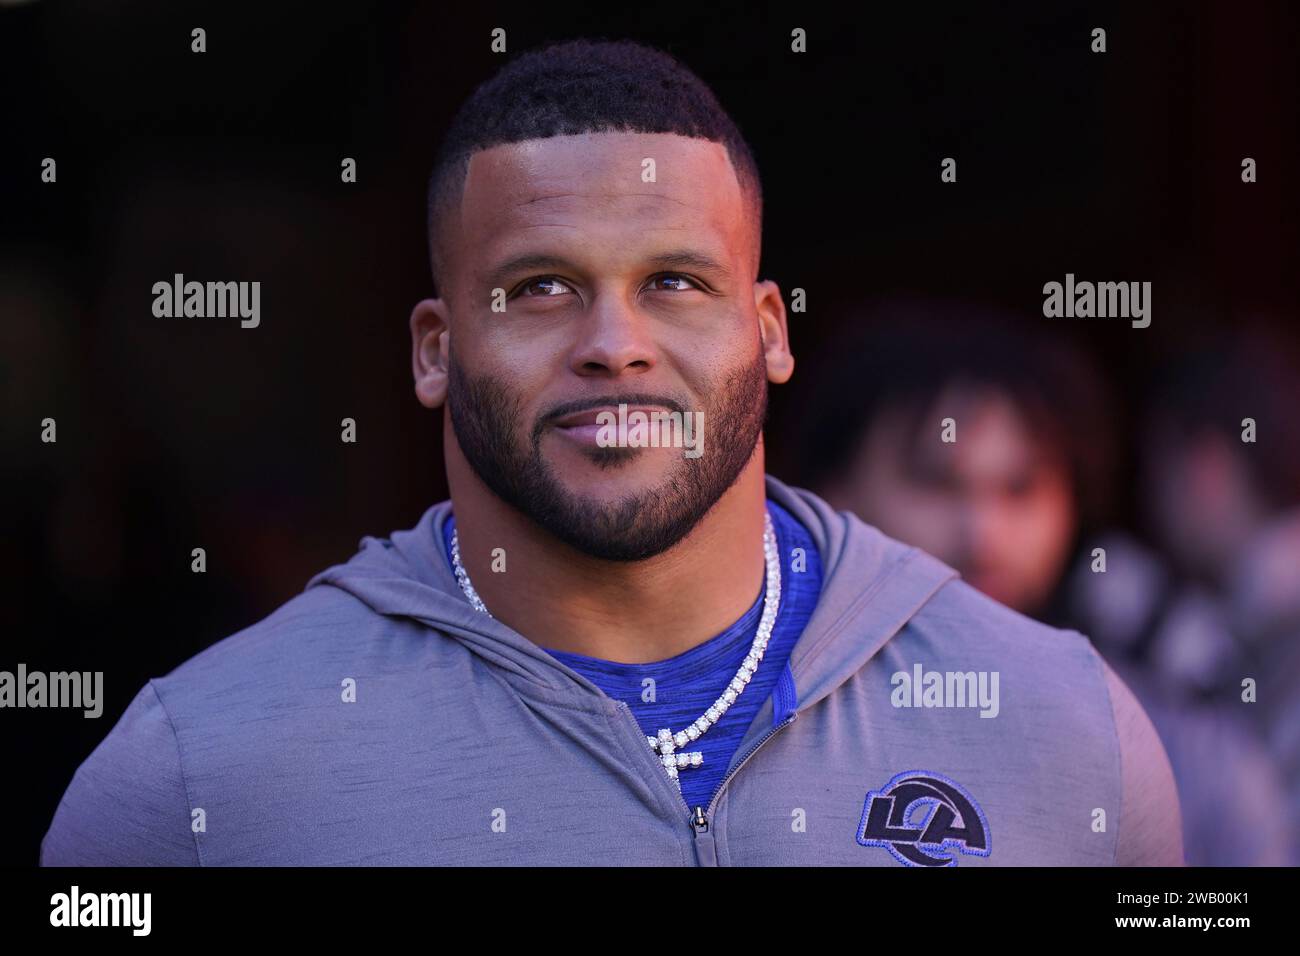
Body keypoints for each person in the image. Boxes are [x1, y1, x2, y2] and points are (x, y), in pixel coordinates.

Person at [40, 39, 1180, 867]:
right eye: (541, 289)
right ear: (434, 350)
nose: (614, 348)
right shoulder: (194, 775)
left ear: (769, 331)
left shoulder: (1064, 724)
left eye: (675, 284)